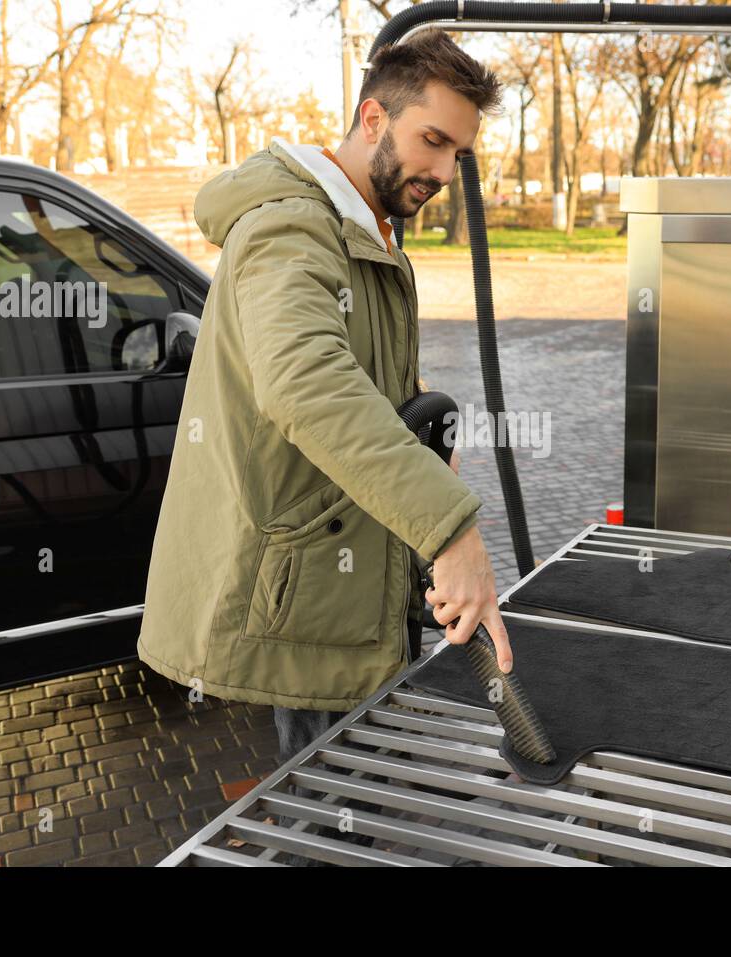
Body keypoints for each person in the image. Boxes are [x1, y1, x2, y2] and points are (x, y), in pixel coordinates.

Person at [136, 29, 513, 774]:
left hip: (353, 577)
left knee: (353, 802)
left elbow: (355, 371)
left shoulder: (359, 226)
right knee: (329, 816)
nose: (441, 170)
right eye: (431, 140)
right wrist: (449, 531)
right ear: (373, 119)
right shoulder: (291, 226)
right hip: (312, 589)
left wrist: (417, 430)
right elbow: (307, 382)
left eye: (457, 155)